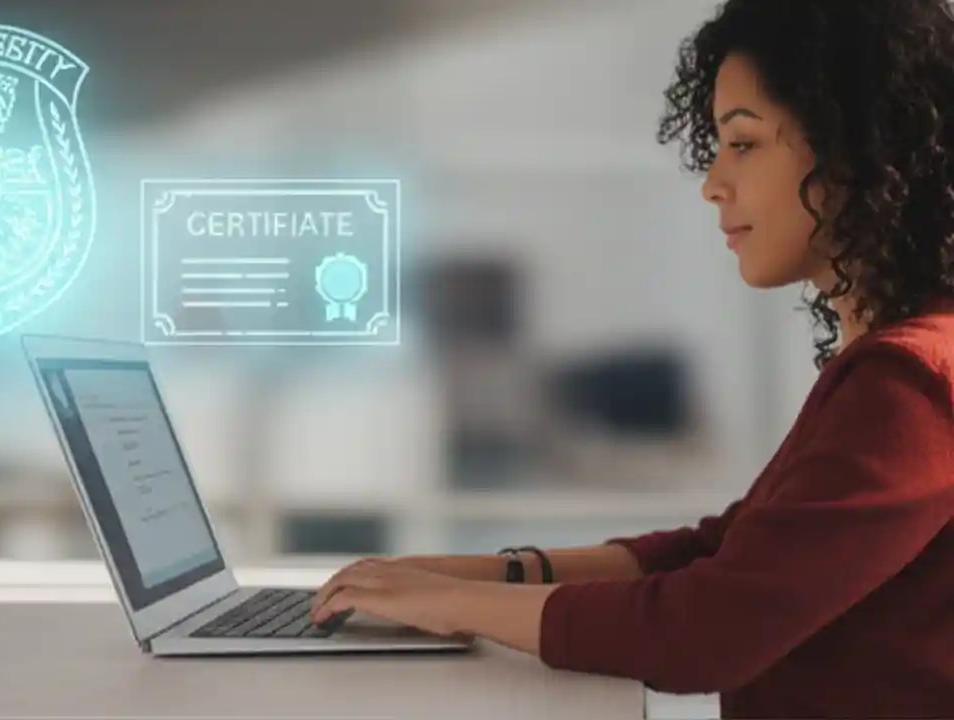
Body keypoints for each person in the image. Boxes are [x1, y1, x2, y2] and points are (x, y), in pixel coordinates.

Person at [309, 1, 954, 717]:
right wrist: (473, 575)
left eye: (742, 144)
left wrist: (456, 605)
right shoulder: (903, 363)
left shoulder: (913, 385)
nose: (713, 182)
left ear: (857, 149)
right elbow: (724, 551)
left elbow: (704, 632)